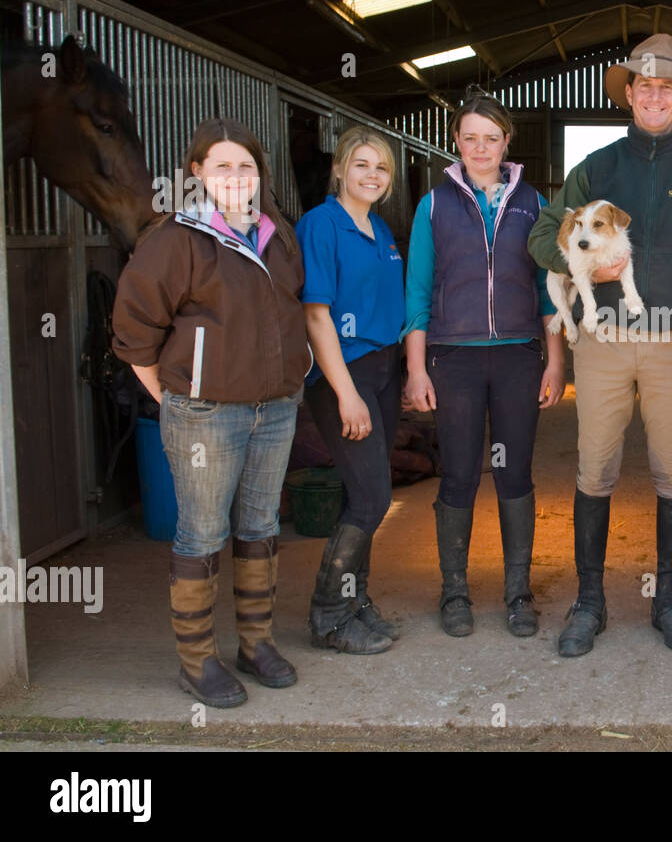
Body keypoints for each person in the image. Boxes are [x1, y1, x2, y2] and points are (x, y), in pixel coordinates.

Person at [528, 33, 672, 657]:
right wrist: (586, 261)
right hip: (606, 342)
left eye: (666, 86)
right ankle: (589, 601)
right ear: (627, 93)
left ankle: (668, 600)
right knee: (596, 469)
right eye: (643, 85)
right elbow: (544, 234)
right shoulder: (595, 167)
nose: (654, 95)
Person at [113, 118, 310, 708]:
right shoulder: (176, 239)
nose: (235, 176)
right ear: (197, 172)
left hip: (274, 409)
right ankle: (198, 662)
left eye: (245, 166)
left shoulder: (279, 236)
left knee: (261, 528)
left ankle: (257, 644)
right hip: (205, 415)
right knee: (202, 534)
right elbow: (132, 332)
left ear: (260, 174)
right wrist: (175, 397)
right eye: (221, 165)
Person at [403, 91, 566, 638]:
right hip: (454, 357)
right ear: (455, 141)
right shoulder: (434, 205)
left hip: (520, 356)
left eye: (490, 138)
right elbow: (418, 290)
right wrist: (417, 367)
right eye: (469, 137)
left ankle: (518, 594)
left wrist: (555, 361)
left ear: (506, 143)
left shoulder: (534, 205)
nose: (480, 147)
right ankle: (455, 592)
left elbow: (549, 291)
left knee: (514, 472)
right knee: (460, 472)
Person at [297, 126, 404, 655]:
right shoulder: (321, 225)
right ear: (339, 168)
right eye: (361, 164)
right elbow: (316, 316)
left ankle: (357, 601)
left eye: (381, 168)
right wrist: (346, 393)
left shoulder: (380, 230)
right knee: (372, 497)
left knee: (366, 493)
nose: (372, 175)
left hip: (383, 371)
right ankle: (329, 614)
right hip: (345, 374)